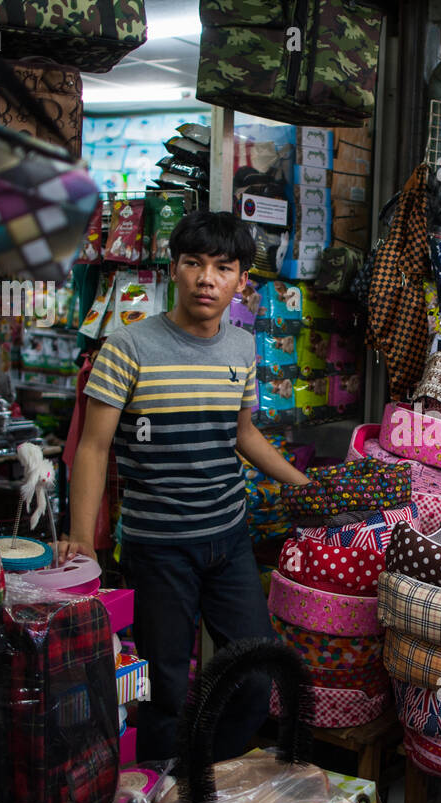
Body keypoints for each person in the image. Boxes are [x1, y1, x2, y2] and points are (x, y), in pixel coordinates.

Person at [59, 211, 311, 762]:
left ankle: (204, 774)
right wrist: (81, 541)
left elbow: (244, 434)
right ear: (173, 268)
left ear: (242, 280)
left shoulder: (241, 350)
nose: (207, 278)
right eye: (194, 263)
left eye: (223, 268)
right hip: (159, 548)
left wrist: (306, 487)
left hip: (228, 539)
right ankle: (160, 802)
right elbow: (92, 448)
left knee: (257, 675)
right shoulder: (127, 348)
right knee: (165, 688)